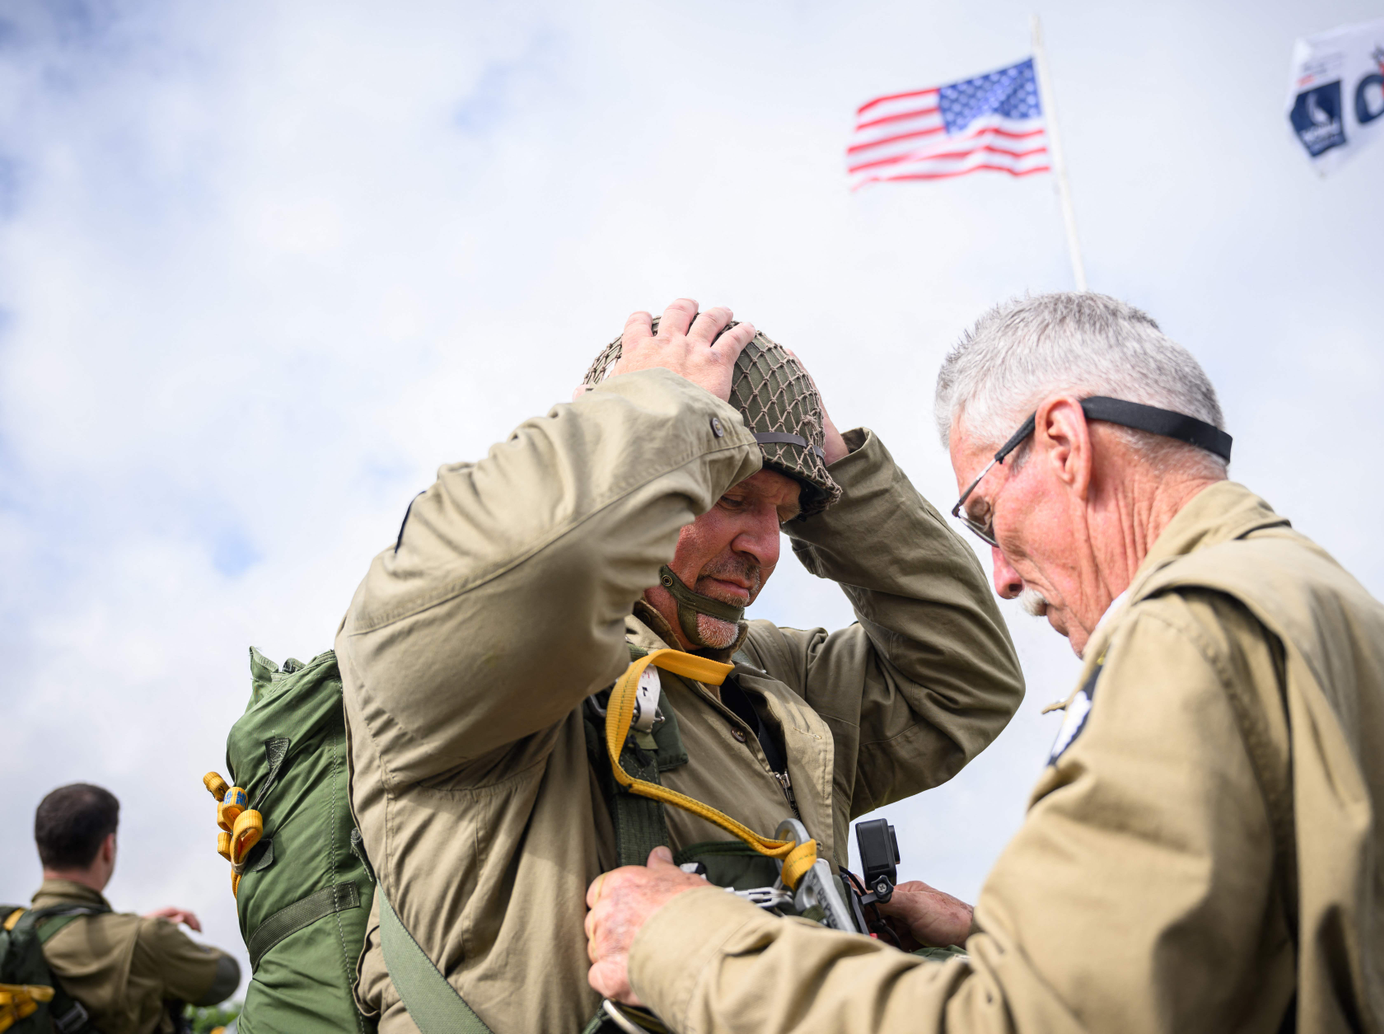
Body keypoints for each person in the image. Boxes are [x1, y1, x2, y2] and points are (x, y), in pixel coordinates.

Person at [585, 292, 1384, 1033]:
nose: (1004, 577)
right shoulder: (1354, 623)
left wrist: (684, 939)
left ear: (1061, 442)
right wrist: (993, 942)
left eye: (984, 513)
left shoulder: (1194, 636)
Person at [336, 298, 1024, 1031]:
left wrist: (839, 478)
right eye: (730, 496)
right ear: (638, 475)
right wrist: (642, 413)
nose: (762, 545)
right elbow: (507, 576)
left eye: (783, 514)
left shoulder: (762, 685)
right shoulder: (489, 673)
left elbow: (962, 681)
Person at [25, 783, 241, 1034]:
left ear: (41, 847)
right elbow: (225, 977)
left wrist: (129, 931)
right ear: (108, 847)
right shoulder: (147, 939)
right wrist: (144, 935)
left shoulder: (10, 936)